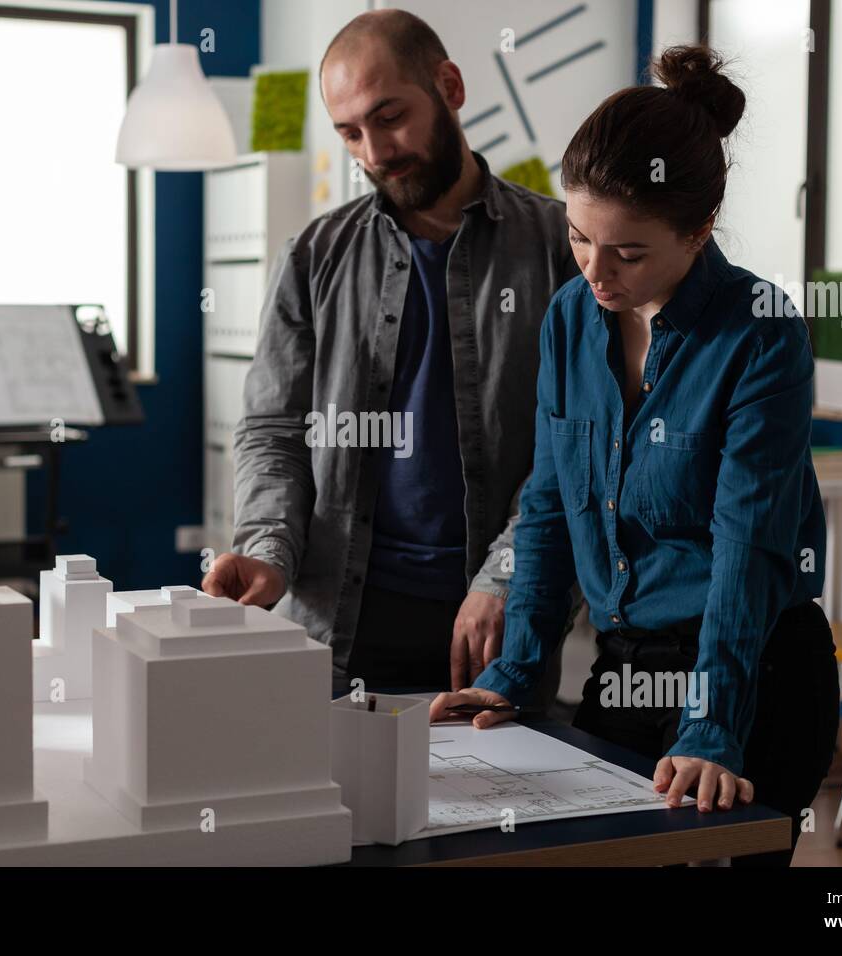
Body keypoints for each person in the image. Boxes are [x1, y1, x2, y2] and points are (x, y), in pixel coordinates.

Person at [430, 45, 840, 867]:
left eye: (628, 252)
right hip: (625, 669)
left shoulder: (762, 331)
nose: (595, 270)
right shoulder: (569, 319)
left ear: (698, 230)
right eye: (579, 237)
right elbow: (548, 504)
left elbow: (749, 546)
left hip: (752, 665)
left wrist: (713, 726)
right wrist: (514, 672)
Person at [201, 9, 579, 694]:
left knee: (504, 801)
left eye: (390, 117)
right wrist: (267, 550)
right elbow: (273, 429)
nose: (374, 154)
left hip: (496, 623)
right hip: (334, 621)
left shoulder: (560, 248)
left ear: (450, 87)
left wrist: (507, 575)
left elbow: (579, 447)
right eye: (350, 132)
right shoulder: (312, 256)